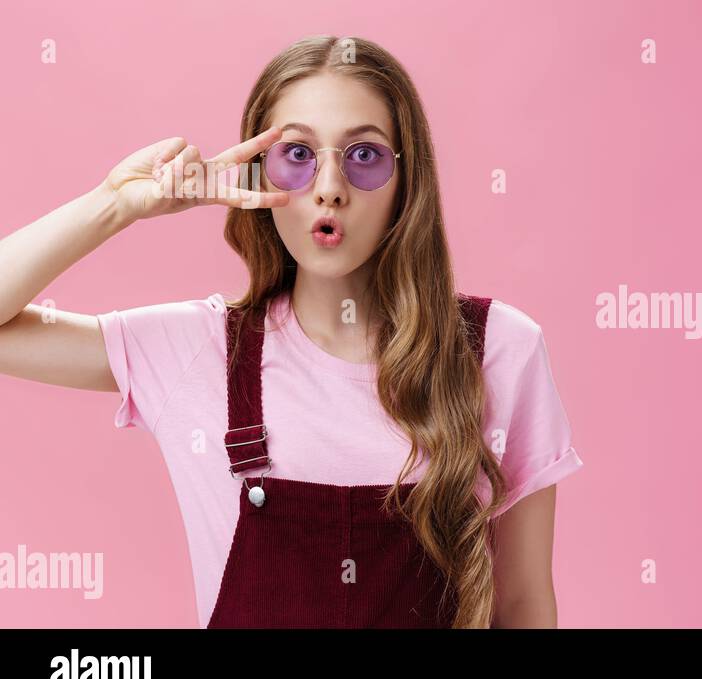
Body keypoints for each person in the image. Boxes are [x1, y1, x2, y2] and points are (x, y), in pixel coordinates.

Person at [0, 35, 584, 629]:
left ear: (409, 181)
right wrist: (116, 204)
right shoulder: (199, 350)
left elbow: (524, 605)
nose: (330, 186)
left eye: (364, 155)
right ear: (256, 175)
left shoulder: (498, 349)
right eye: (298, 155)